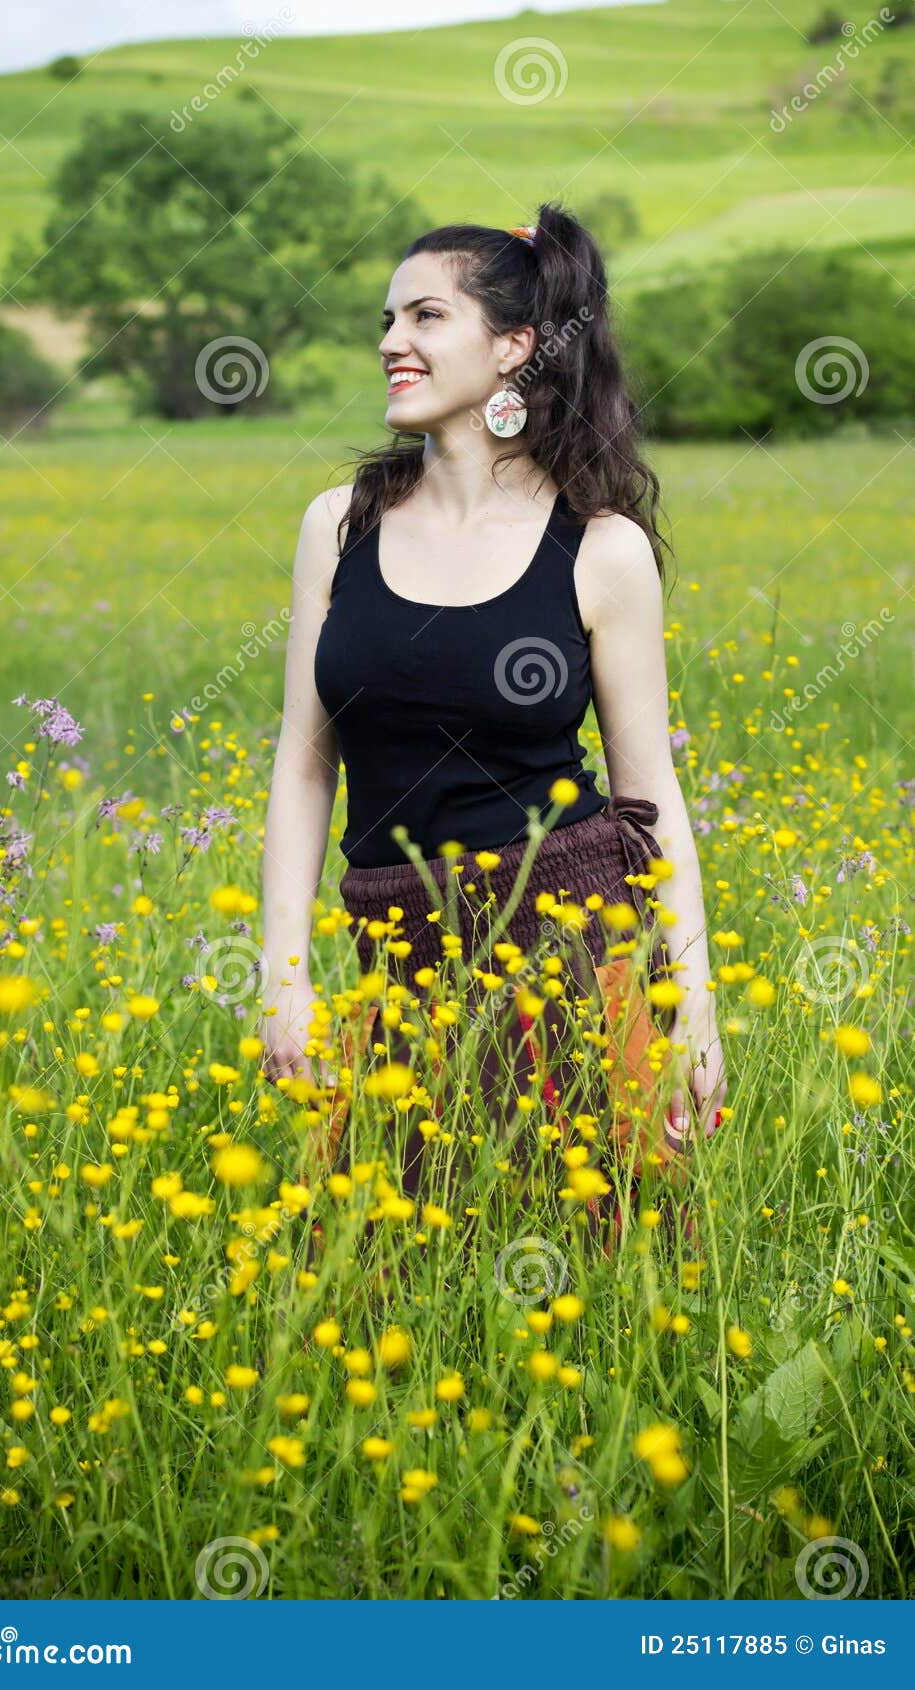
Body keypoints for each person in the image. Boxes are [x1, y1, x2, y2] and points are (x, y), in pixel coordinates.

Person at [259, 202, 726, 1232]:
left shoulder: (599, 549)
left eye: (425, 317)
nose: (391, 341)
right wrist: (282, 973)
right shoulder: (337, 526)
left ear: (514, 346)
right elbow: (303, 763)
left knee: (599, 1263)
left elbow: (650, 796)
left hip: (567, 936)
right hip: (394, 941)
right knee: (388, 1276)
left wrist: (688, 1000)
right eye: (386, 319)